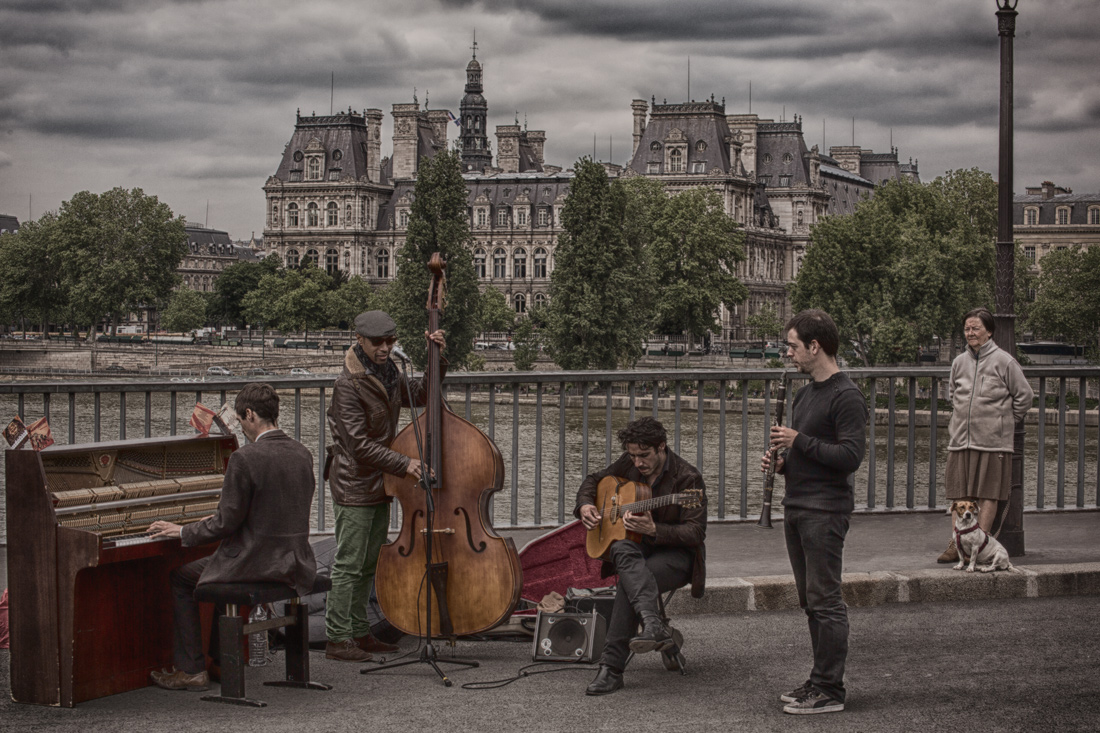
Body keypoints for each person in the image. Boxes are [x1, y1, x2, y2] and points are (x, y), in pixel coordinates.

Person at [148, 382, 318, 691]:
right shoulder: (302, 453)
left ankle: (191, 670)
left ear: (250, 415)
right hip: (294, 560)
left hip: (258, 563)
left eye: (240, 421)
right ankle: (222, 660)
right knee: (217, 570)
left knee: (183, 578)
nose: (241, 427)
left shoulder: (245, 458)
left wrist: (183, 530)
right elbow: (276, 509)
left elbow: (225, 524)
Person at [323, 310, 446, 662]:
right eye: (378, 342)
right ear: (359, 339)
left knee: (369, 562)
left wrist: (437, 356)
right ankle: (337, 637)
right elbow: (358, 444)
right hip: (353, 483)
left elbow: (423, 395)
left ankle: (360, 632)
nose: (386, 348)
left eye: (390, 341)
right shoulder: (347, 385)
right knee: (348, 562)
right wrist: (406, 463)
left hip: (379, 481)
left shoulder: (389, 373)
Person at [762, 309, 867, 715]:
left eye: (792, 346)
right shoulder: (805, 394)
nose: (788, 353)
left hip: (825, 510)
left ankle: (831, 690)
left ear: (814, 346)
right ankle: (819, 678)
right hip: (798, 504)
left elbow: (850, 456)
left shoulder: (847, 396)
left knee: (826, 600)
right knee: (810, 600)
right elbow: (807, 453)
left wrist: (797, 440)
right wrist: (783, 463)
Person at [575, 417, 706, 696]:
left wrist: (655, 529)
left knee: (630, 580)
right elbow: (594, 479)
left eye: (644, 456)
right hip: (638, 551)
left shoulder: (688, 478)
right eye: (633, 455)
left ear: (661, 447)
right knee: (622, 549)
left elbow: (695, 533)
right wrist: (586, 504)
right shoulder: (630, 460)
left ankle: (611, 668)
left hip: (676, 557)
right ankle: (654, 625)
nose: (637, 463)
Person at [937, 307, 1033, 564]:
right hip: (961, 439)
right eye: (967, 328)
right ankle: (957, 545)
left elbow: (1025, 396)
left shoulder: (1004, 361)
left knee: (988, 493)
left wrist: (1005, 421)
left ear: (989, 331)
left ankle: (980, 545)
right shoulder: (959, 362)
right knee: (960, 492)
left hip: (992, 442)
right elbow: (952, 395)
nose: (970, 333)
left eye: (976, 328)